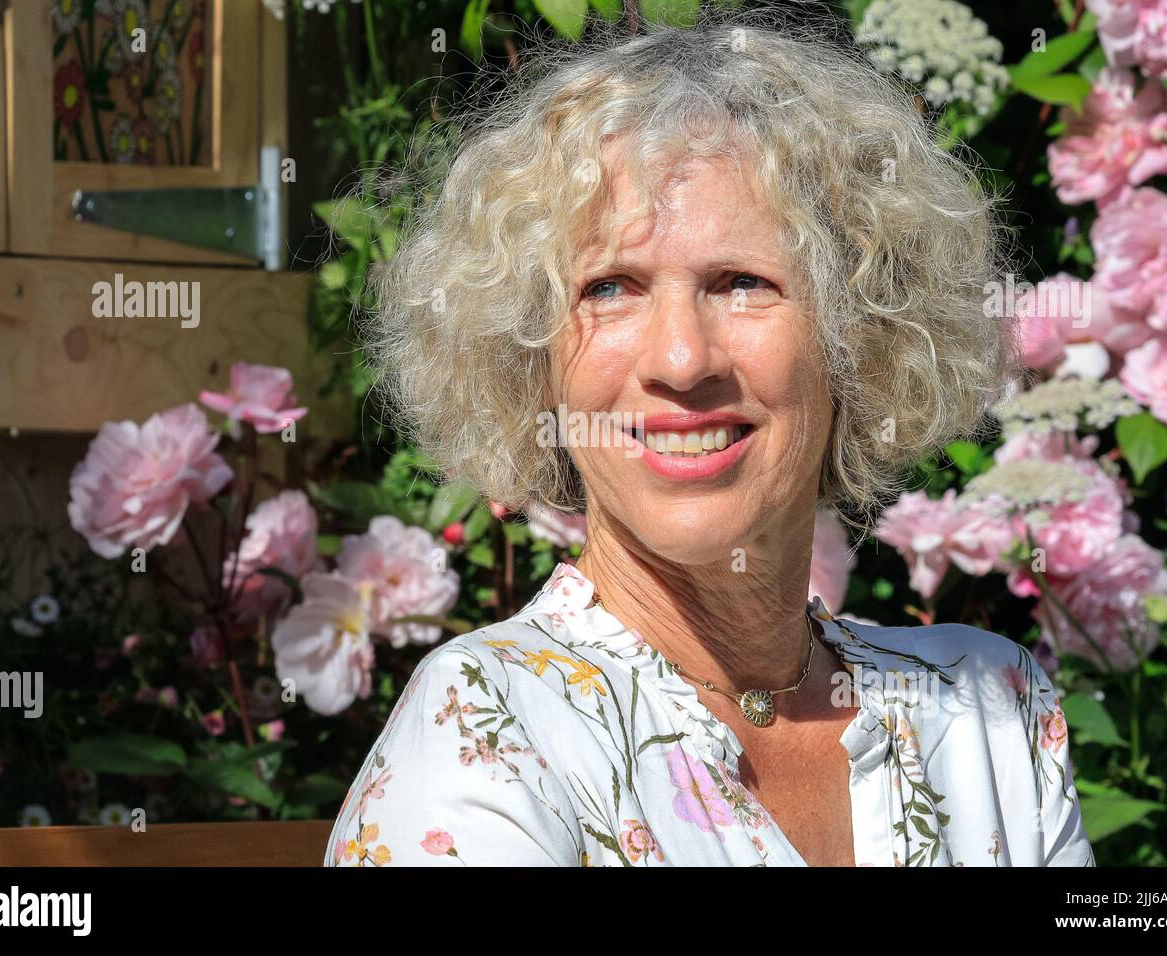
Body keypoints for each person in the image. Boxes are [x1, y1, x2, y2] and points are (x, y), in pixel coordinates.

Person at [327, 14, 1094, 867]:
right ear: (528, 360)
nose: (682, 360)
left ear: (862, 338)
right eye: (610, 287)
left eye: (741, 283)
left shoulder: (991, 710)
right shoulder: (486, 730)